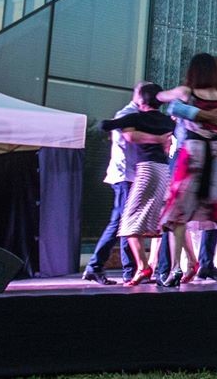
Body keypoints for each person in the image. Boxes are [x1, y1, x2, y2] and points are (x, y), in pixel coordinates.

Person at [157, 53, 217, 285]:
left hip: (193, 154)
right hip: (216, 153)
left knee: (179, 211)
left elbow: (164, 100)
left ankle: (178, 268)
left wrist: (193, 111)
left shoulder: (187, 92)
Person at [98, 82, 175, 286]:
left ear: (141, 100)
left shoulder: (136, 118)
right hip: (164, 171)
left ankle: (143, 266)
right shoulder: (167, 121)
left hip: (146, 171)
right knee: (162, 222)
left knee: (127, 224)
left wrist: (133, 129)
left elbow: (103, 125)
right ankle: (180, 264)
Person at [82, 81, 146, 285]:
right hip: (125, 176)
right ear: (142, 96)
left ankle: (121, 269)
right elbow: (130, 138)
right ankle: (103, 267)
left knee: (124, 223)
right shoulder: (127, 114)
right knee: (122, 223)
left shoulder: (135, 115)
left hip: (129, 176)